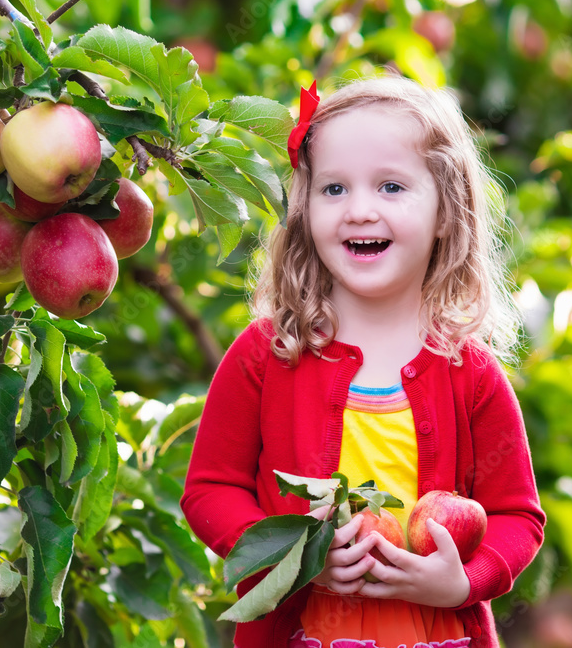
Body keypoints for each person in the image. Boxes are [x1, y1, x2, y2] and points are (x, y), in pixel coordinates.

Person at [181, 75, 545, 648]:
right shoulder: (268, 353)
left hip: (435, 632)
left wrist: (462, 582)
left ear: (446, 211)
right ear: (303, 209)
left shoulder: (468, 372)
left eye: (391, 186)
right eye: (333, 189)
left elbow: (516, 516)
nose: (358, 210)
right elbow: (210, 489)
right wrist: (294, 559)